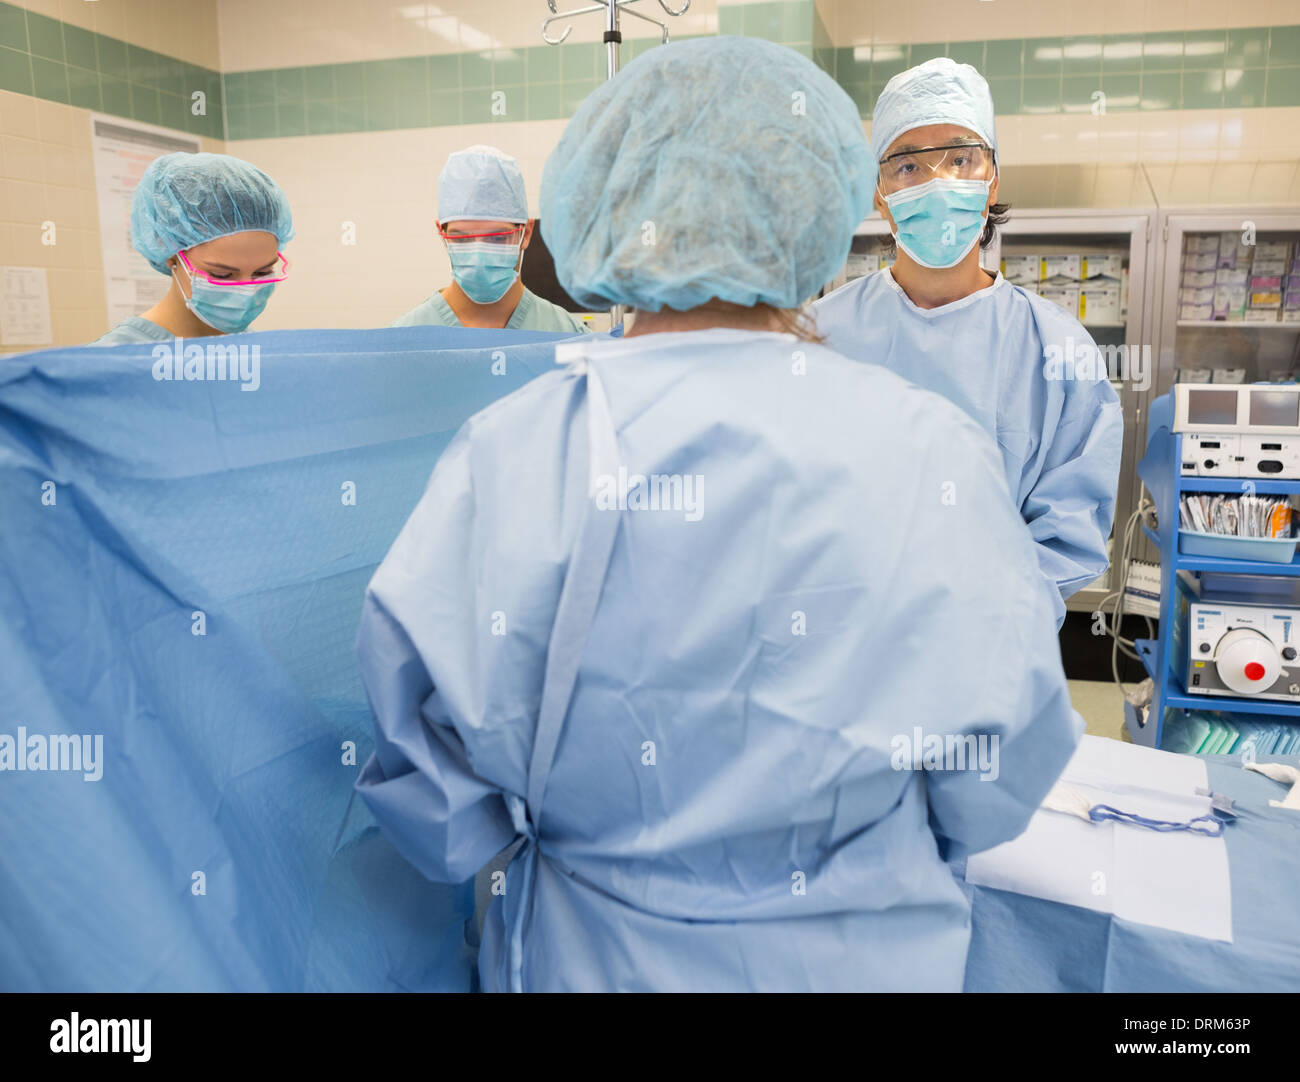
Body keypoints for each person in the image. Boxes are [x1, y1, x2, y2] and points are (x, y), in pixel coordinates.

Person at [355, 36, 1080, 992]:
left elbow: (435, 794)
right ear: (816, 208)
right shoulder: (934, 452)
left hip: (592, 959)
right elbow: (999, 775)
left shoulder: (516, 453)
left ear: (595, 214)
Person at [814, 58, 1123, 629]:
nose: (938, 182)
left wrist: (978, 623)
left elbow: (1068, 532)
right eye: (908, 164)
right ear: (880, 194)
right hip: (842, 651)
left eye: (960, 158)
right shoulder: (817, 338)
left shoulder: (1056, 350)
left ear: (992, 179)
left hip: (990, 654)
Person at [92, 152, 293, 345]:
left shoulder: (254, 349)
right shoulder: (113, 358)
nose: (247, 290)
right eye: (222, 274)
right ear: (170, 253)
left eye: (263, 272)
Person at [391, 145, 586, 333]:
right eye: (462, 239)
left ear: (526, 233)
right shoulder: (405, 339)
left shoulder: (566, 335)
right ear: (442, 234)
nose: (479, 258)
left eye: (498, 238)